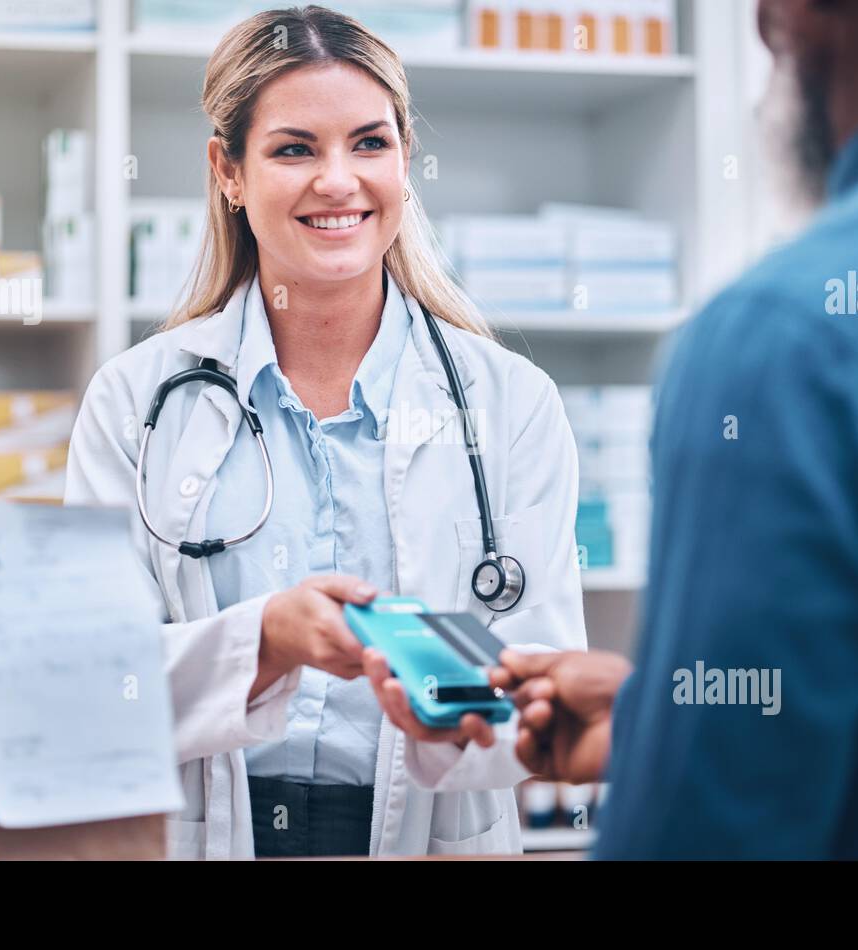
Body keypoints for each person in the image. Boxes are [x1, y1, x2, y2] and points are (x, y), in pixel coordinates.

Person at [494, 0, 858, 859]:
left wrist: (685, 767)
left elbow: (706, 841)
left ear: (783, 19)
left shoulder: (793, 339)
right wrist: (668, 722)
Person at [65, 4, 586, 859]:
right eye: (295, 148)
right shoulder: (135, 402)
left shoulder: (511, 404)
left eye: (370, 144)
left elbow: (542, 695)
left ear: (406, 159)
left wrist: (443, 697)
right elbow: (91, 686)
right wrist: (263, 643)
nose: (338, 181)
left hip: (426, 836)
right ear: (228, 172)